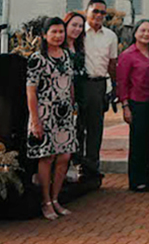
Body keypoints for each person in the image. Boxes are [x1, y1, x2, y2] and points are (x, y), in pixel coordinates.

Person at [26, 17, 80, 220]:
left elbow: (70, 83)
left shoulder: (66, 55)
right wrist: (35, 121)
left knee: (64, 156)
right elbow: (31, 92)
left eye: (60, 32)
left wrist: (73, 107)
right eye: (54, 32)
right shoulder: (37, 58)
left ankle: (56, 199)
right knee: (47, 157)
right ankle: (45, 201)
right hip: (44, 114)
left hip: (65, 115)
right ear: (44, 35)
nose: (58, 36)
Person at [117, 20, 149, 192]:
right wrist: (125, 106)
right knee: (138, 143)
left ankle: (148, 176)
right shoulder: (128, 55)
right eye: (143, 30)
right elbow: (122, 83)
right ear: (135, 33)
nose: (146, 34)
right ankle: (136, 180)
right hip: (137, 103)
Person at [78, 0, 117, 175]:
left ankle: (92, 169)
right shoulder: (78, 32)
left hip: (99, 85)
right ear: (87, 11)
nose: (99, 15)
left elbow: (112, 63)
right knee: (77, 127)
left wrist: (113, 87)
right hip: (79, 84)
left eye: (103, 12)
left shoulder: (110, 36)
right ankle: (74, 167)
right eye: (95, 11)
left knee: (95, 129)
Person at [61, 11, 87, 180]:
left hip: (79, 94)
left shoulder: (79, 47)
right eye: (74, 25)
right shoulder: (59, 47)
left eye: (80, 26)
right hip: (62, 97)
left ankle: (73, 167)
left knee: (77, 132)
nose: (77, 29)